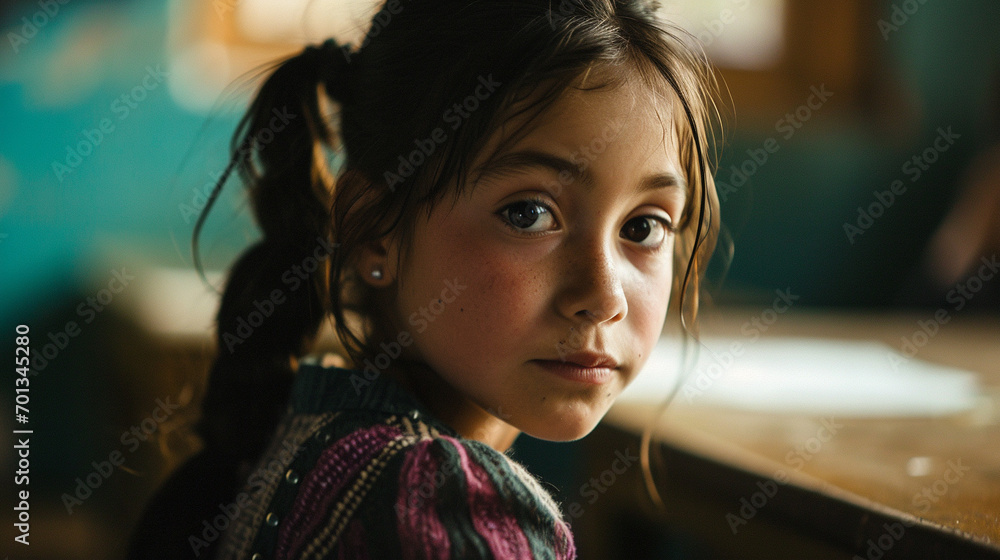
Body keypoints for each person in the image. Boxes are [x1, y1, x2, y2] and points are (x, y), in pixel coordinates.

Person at [127, 0, 721, 558]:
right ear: (372, 230)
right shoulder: (438, 499)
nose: (604, 297)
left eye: (644, 227)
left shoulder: (310, 437)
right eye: (528, 213)